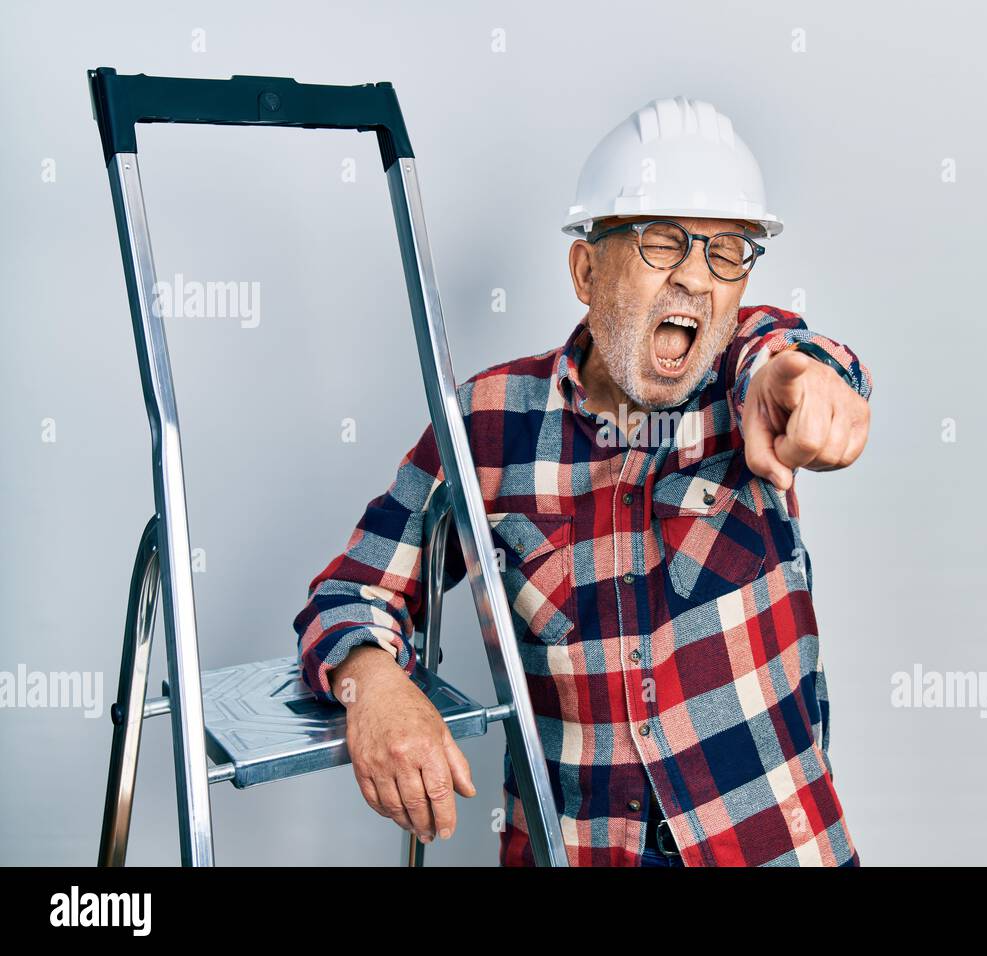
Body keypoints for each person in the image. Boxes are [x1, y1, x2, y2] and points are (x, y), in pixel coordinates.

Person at [293, 96, 873, 866]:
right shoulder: (491, 424)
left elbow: (788, 350)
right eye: (663, 244)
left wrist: (812, 378)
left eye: (727, 252)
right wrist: (374, 684)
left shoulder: (749, 391)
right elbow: (352, 594)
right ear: (586, 269)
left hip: (771, 845)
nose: (698, 282)